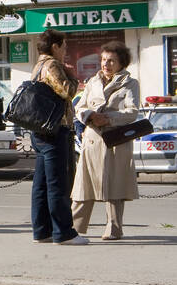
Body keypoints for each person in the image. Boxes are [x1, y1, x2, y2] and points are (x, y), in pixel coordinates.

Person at [70, 42, 140, 240]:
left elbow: (132, 112)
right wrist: (91, 115)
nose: (106, 64)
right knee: (83, 186)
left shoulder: (130, 83)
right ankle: (74, 228)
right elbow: (79, 107)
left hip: (115, 140)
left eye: (111, 61)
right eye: (103, 59)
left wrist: (108, 118)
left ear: (121, 63)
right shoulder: (93, 82)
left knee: (114, 185)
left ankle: (114, 228)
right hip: (92, 139)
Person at [28, 29, 84, 244]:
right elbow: (67, 91)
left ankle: (42, 231)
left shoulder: (37, 65)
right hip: (54, 131)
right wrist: (71, 76)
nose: (65, 51)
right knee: (58, 184)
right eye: (64, 47)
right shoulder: (51, 65)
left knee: (41, 184)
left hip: (40, 131)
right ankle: (63, 233)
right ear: (55, 46)